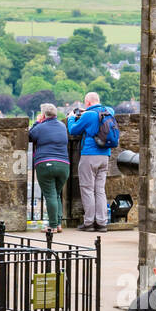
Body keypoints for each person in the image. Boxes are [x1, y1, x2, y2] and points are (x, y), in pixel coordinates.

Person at [67, 90, 115, 231]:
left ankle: (88, 223)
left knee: (87, 188)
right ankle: (101, 222)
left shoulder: (88, 115)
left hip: (90, 154)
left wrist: (71, 117)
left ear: (87, 103)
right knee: (100, 190)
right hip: (105, 154)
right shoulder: (109, 111)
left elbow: (73, 130)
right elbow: (105, 114)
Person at [28, 103, 70, 233]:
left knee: (50, 195)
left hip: (46, 163)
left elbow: (30, 135)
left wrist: (37, 122)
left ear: (44, 114)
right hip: (64, 165)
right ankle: (58, 224)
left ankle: (52, 226)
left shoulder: (41, 127)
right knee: (56, 194)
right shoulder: (63, 126)